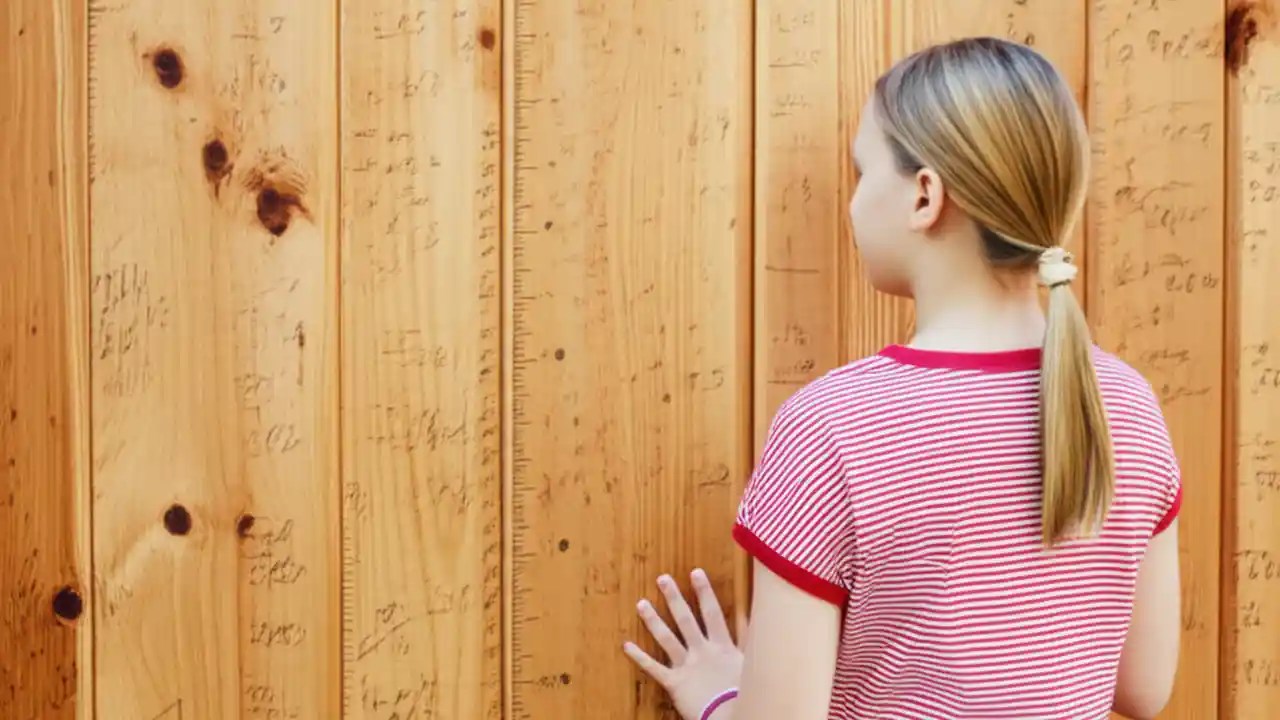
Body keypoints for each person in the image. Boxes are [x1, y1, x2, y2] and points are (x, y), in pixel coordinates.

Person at [622, 37, 1183, 720]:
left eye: (861, 172)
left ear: (925, 195)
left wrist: (715, 693)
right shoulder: (1125, 402)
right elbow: (1143, 689)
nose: (854, 202)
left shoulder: (834, 426)